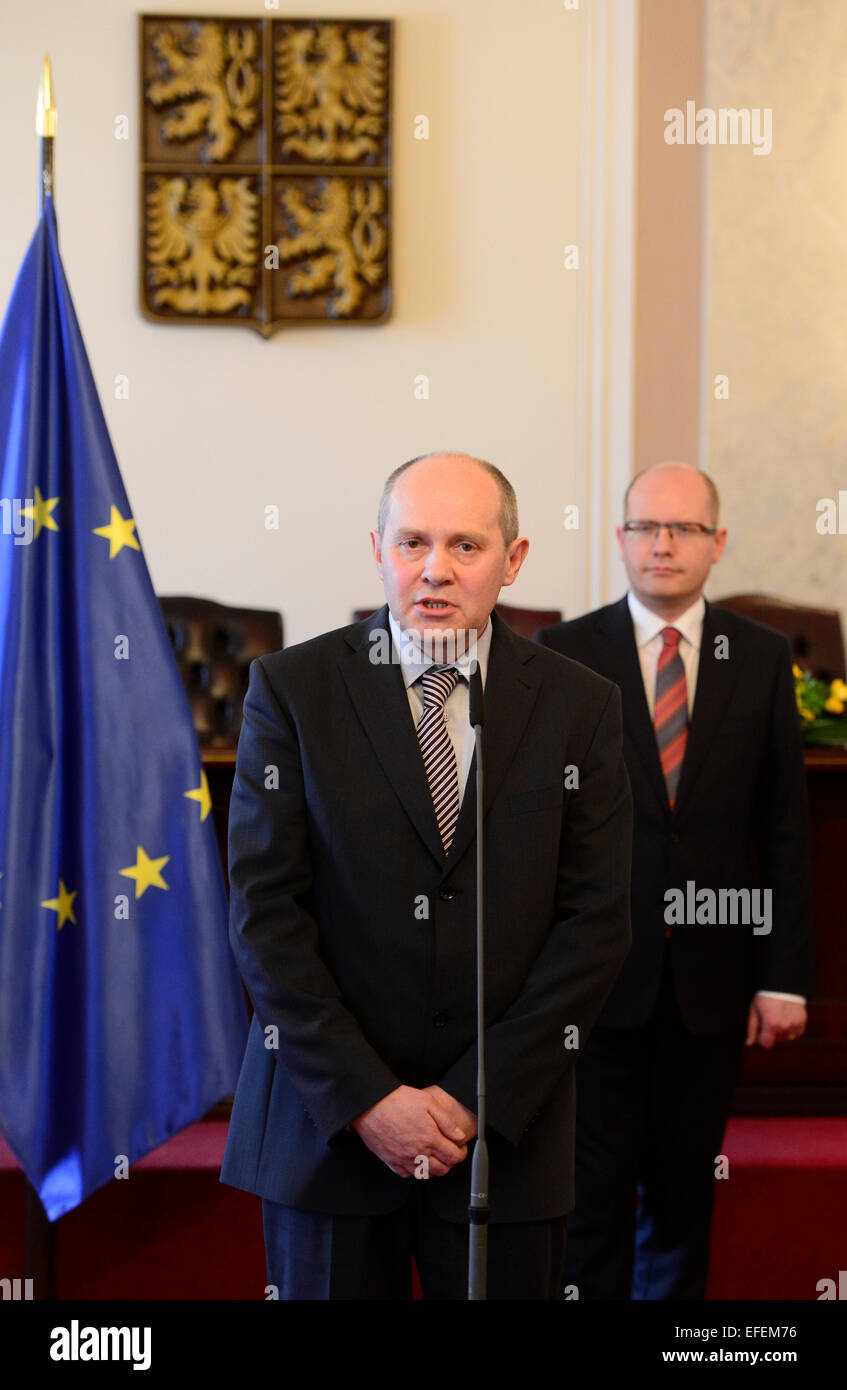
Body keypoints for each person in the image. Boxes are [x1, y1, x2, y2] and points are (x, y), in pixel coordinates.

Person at [220, 451, 632, 1299]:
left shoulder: (580, 705)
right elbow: (266, 914)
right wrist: (369, 1100)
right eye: (412, 542)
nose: (434, 569)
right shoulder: (291, 690)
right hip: (326, 1135)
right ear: (378, 549)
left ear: (512, 560)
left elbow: (594, 923)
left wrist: (473, 1096)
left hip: (505, 1138)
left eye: (464, 545)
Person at [536, 461, 814, 1300]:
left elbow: (784, 830)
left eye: (683, 528)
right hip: (592, 981)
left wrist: (783, 978)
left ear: (716, 542)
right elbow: (537, 832)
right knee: (588, 1198)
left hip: (710, 979)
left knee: (684, 1193)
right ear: (619, 538)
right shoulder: (563, 653)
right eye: (644, 527)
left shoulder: (759, 656)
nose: (661, 544)